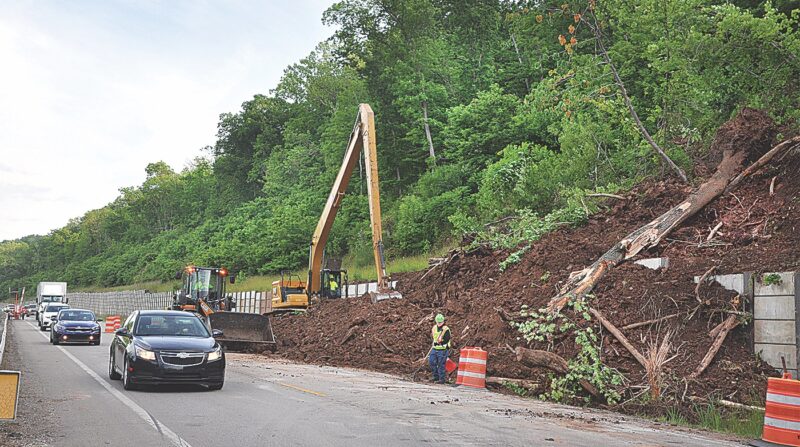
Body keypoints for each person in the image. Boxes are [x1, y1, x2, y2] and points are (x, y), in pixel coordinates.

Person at [429, 313, 451, 384]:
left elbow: (447, 340)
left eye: (440, 322)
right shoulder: (434, 328)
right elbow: (433, 337)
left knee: (441, 364)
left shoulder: (446, 329)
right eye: (438, 322)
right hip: (435, 349)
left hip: (443, 350)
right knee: (431, 362)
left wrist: (440, 342)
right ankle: (436, 377)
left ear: (443, 321)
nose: (439, 324)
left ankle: (442, 379)